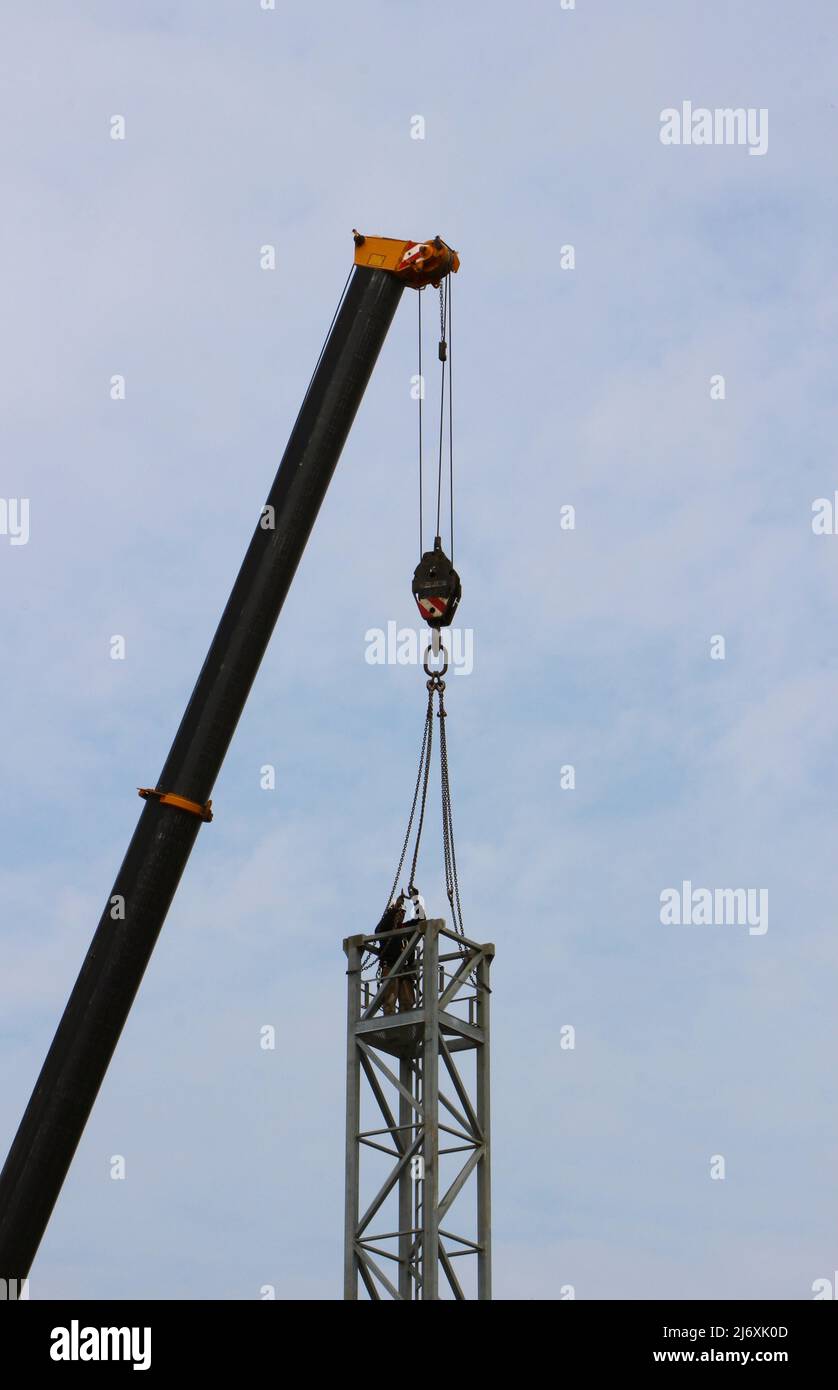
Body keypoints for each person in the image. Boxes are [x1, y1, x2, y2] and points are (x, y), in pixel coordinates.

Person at [373, 896, 416, 1015]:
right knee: (389, 1002)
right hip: (391, 968)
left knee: (408, 1002)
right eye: (399, 912)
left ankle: (405, 1029)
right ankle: (390, 1031)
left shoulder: (406, 928)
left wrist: (416, 899)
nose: (401, 914)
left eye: (403, 912)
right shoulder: (385, 928)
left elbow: (421, 919)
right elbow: (380, 928)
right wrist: (394, 909)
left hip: (405, 970)